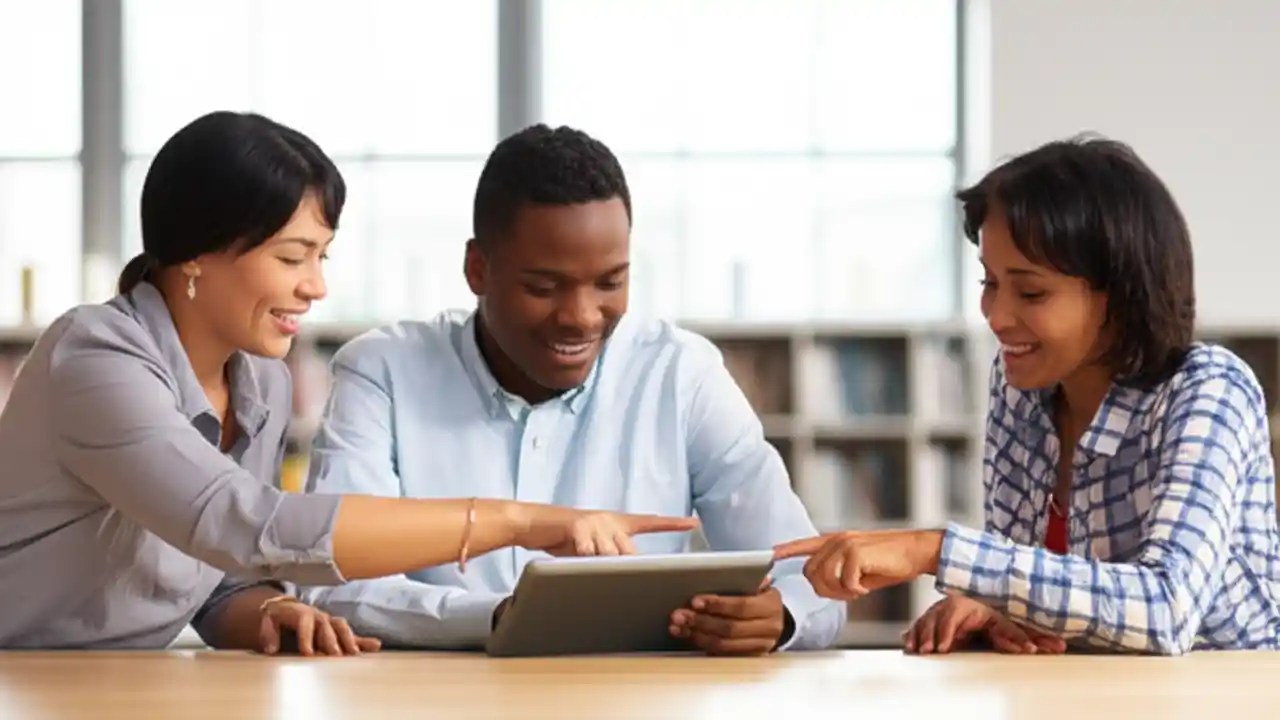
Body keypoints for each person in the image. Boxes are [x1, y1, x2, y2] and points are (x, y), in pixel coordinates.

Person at [0, 111, 697, 653]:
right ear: (196, 256)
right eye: (293, 257)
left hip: (122, 685)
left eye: (323, 255)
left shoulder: (261, 383)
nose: (316, 286)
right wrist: (521, 522)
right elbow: (246, 526)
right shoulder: (96, 359)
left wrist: (273, 612)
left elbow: (221, 580)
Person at [298, 124, 845, 654]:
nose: (582, 318)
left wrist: (781, 615)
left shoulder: (681, 373)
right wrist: (500, 618)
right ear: (477, 269)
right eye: (543, 287)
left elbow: (812, 575)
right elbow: (330, 580)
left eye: (611, 283)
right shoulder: (383, 373)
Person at [776, 135, 1280, 656]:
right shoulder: (1022, 389)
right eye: (989, 282)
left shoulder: (1209, 390)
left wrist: (935, 550)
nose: (996, 316)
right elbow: (1036, 579)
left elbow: (1166, 609)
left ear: (1120, 294)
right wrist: (996, 608)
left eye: (1031, 292)